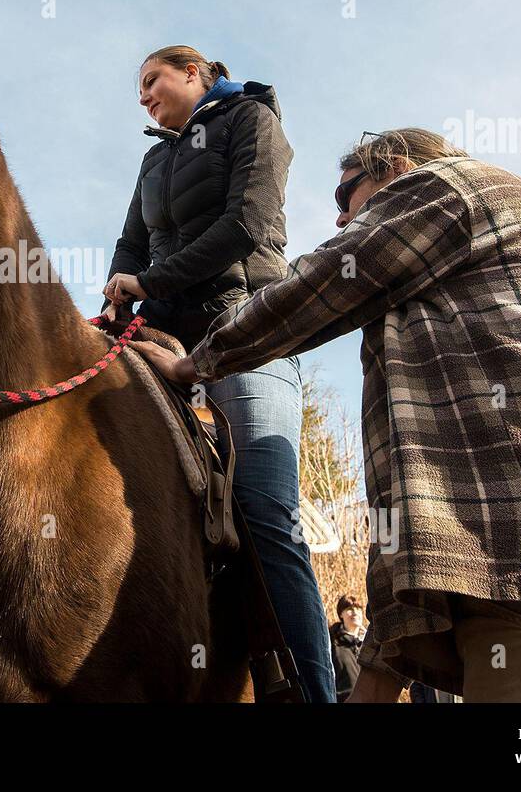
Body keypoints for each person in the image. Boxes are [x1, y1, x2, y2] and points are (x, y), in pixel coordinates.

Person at [132, 128, 521, 702]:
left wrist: (195, 365)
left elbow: (322, 283)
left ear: (395, 169)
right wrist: (380, 672)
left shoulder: (444, 186)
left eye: (344, 197)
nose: (337, 220)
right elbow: (441, 481)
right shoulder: (461, 278)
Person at [102, 45, 335, 702]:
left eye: (151, 80)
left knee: (266, 509)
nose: (142, 94)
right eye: (138, 86)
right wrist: (116, 303)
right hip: (160, 337)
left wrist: (148, 280)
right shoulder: (153, 159)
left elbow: (246, 225)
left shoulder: (251, 121)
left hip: (243, 336)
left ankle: (311, 687)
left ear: (193, 72)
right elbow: (129, 245)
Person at [330, 594, 365, 702]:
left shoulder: (369, 644)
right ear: (341, 614)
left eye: (358, 609)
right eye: (350, 609)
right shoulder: (332, 642)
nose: (355, 612)